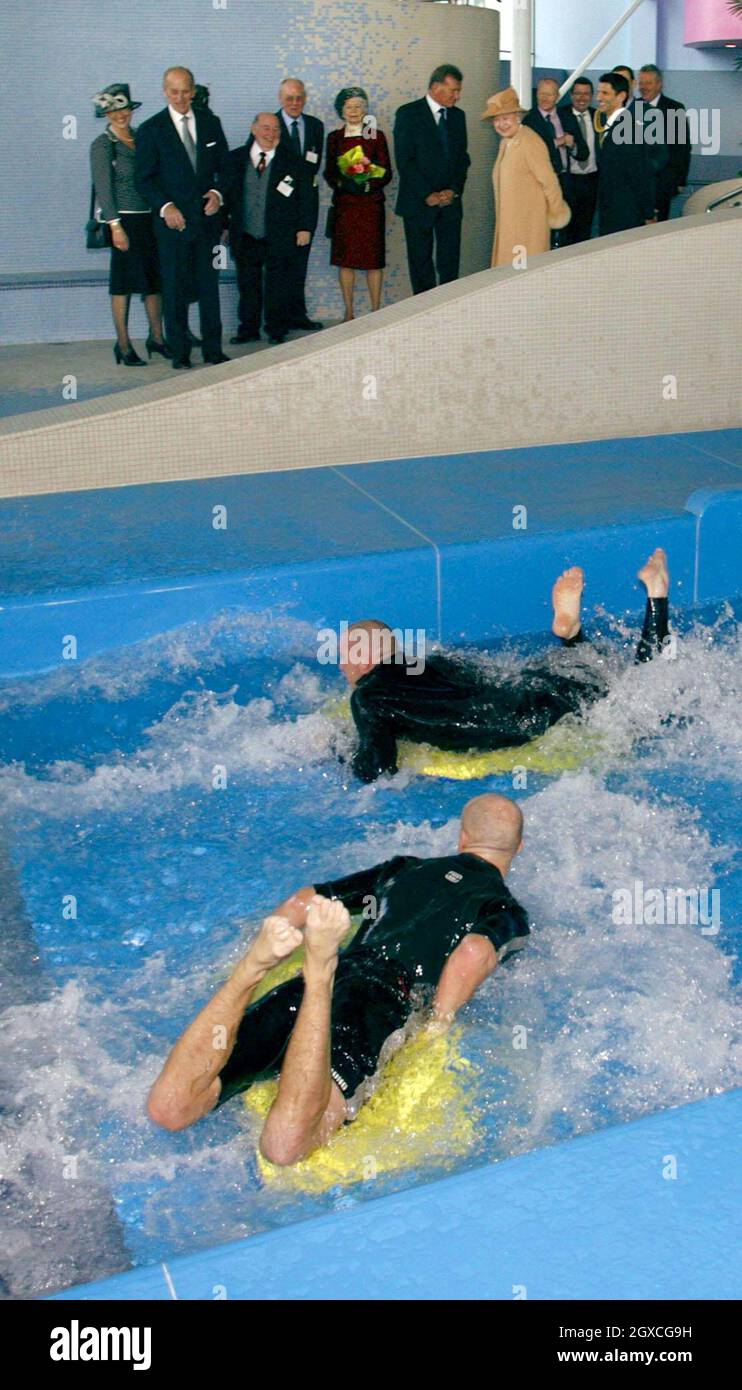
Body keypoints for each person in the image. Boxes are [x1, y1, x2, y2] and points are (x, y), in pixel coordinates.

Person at [146, 793, 529, 1163]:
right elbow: (474, 953)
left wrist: (268, 939)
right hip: (378, 1005)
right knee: (285, 1147)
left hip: (333, 973)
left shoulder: (402, 869)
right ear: (519, 847)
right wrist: (437, 1025)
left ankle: (253, 970)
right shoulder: (504, 907)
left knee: (171, 1108)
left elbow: (303, 901)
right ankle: (320, 975)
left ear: (462, 837)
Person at [341, 549, 671, 783]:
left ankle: (657, 594)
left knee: (642, 694)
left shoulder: (370, 698)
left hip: (524, 722)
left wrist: (337, 752)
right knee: (591, 671)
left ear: (361, 657)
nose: (344, 670)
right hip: (529, 688)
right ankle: (571, 636)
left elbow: (377, 771)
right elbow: (488, 677)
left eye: (345, 660)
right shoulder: (430, 661)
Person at [135, 66, 230, 369]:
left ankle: (214, 351)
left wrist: (217, 194)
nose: (180, 97)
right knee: (174, 289)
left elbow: (225, 167)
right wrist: (165, 208)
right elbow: (144, 179)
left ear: (192, 91)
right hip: (172, 227)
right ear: (165, 91)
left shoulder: (211, 123)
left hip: (207, 223)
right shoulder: (151, 129)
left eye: (185, 91)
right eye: (173, 91)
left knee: (209, 288)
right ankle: (180, 354)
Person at [89, 83, 169, 366]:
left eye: (123, 108)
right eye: (113, 110)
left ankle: (157, 338)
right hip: (123, 220)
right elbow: (103, 188)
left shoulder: (141, 137)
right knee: (123, 284)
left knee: (153, 281)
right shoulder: (103, 145)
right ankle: (123, 345)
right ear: (106, 114)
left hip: (149, 219)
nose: (119, 115)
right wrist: (115, 226)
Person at [226, 113, 314, 346]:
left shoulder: (293, 160)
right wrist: (224, 226)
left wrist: (304, 227)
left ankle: (277, 328)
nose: (271, 134)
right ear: (254, 129)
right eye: (265, 128)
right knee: (247, 285)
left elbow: (307, 197)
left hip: (279, 234)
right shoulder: (235, 159)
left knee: (278, 284)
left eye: (275, 129)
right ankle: (248, 329)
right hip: (245, 234)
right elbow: (225, 196)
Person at [394, 64, 471, 295]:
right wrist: (427, 194)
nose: (457, 96)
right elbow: (405, 161)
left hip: (450, 204)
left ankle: (447, 309)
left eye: (459, 91)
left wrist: (454, 191)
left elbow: (462, 161)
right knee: (420, 263)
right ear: (436, 87)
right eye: (453, 90)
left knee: (449, 261)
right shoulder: (408, 113)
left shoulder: (458, 117)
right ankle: (423, 311)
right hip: (418, 204)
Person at [323, 87, 393, 320]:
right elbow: (329, 172)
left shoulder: (376, 135)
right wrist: (344, 185)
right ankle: (349, 312)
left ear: (366, 110)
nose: (354, 111)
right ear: (341, 111)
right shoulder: (333, 138)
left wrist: (367, 184)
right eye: (349, 107)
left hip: (371, 206)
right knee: (347, 261)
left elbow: (386, 172)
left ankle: (375, 310)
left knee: (373, 260)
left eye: (359, 106)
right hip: (345, 207)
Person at [483, 87, 570, 268]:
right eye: (496, 120)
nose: (501, 124)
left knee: (521, 276)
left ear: (517, 117)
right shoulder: (507, 142)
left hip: (527, 227)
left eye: (505, 118)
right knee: (511, 275)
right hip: (512, 225)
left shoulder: (530, 141)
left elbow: (550, 182)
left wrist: (556, 212)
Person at [275, 78, 324, 330]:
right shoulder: (269, 124)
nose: (295, 103)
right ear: (280, 99)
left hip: (306, 206)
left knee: (299, 264)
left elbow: (312, 168)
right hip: (279, 208)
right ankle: (278, 319)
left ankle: (298, 314)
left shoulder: (316, 126)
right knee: (279, 265)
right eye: (289, 98)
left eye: (299, 97)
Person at [522, 77, 589, 247]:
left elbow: (583, 153)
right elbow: (531, 153)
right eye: (540, 94)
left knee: (567, 231)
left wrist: (571, 144)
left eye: (549, 94)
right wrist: (558, 142)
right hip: (541, 186)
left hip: (566, 182)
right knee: (544, 232)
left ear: (557, 96)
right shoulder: (529, 121)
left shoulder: (567, 117)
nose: (544, 98)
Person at [595, 72, 656, 236]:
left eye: (605, 93)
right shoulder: (608, 125)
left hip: (625, 213)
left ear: (621, 96)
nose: (598, 97)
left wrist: (648, 214)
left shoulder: (628, 129)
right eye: (598, 92)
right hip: (610, 209)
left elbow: (640, 174)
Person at [637, 64, 690, 221]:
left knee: (658, 230)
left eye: (648, 83)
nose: (643, 87)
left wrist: (680, 180)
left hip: (663, 183)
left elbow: (683, 148)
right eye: (641, 83)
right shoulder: (633, 108)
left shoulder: (675, 108)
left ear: (659, 84)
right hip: (637, 184)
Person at [559, 76, 599, 243]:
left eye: (586, 94)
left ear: (592, 96)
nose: (582, 98)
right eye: (577, 94)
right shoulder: (560, 116)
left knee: (586, 228)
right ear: (571, 96)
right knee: (566, 229)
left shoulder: (598, 116)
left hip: (592, 180)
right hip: (569, 181)